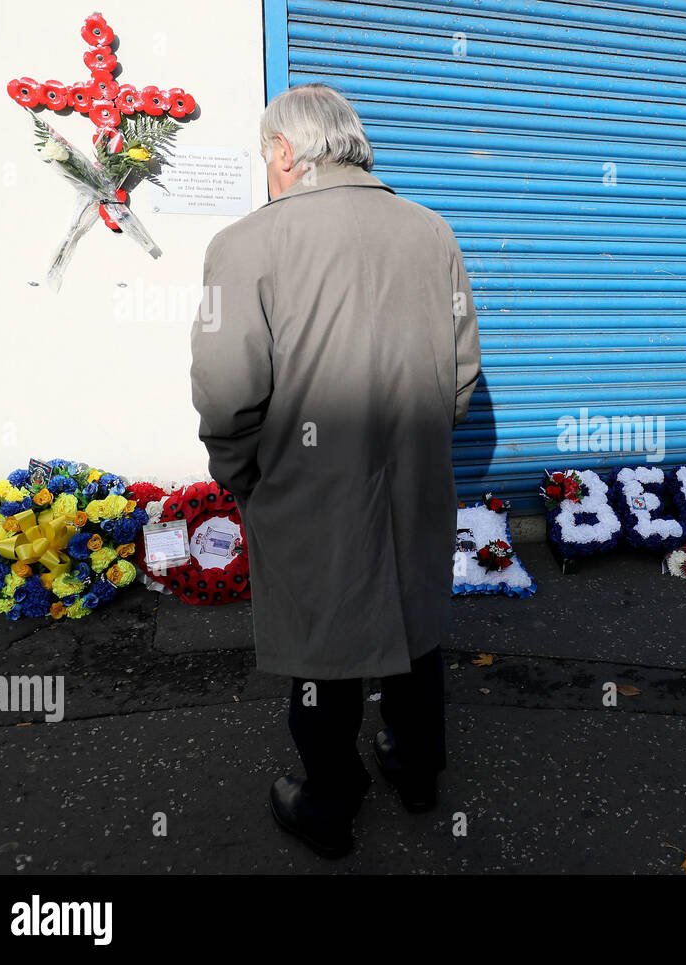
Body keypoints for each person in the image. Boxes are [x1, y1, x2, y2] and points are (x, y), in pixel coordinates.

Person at [189, 83, 481, 859]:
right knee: (415, 627)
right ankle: (417, 773)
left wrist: (242, 474)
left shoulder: (246, 244)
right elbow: (461, 376)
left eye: (267, 160)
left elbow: (226, 393)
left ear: (286, 153)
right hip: (415, 481)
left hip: (307, 484)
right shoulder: (433, 231)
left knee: (323, 644)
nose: (268, 177)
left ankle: (329, 802)